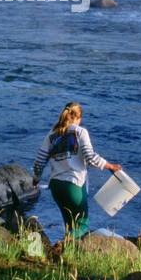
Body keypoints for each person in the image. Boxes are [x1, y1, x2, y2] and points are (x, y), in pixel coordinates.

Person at [32, 102, 121, 241]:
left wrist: (36, 179)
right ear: (78, 118)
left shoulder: (52, 134)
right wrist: (110, 166)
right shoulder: (80, 132)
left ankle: (65, 255)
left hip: (55, 185)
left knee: (69, 224)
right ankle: (63, 249)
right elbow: (90, 157)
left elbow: (40, 160)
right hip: (73, 185)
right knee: (81, 224)